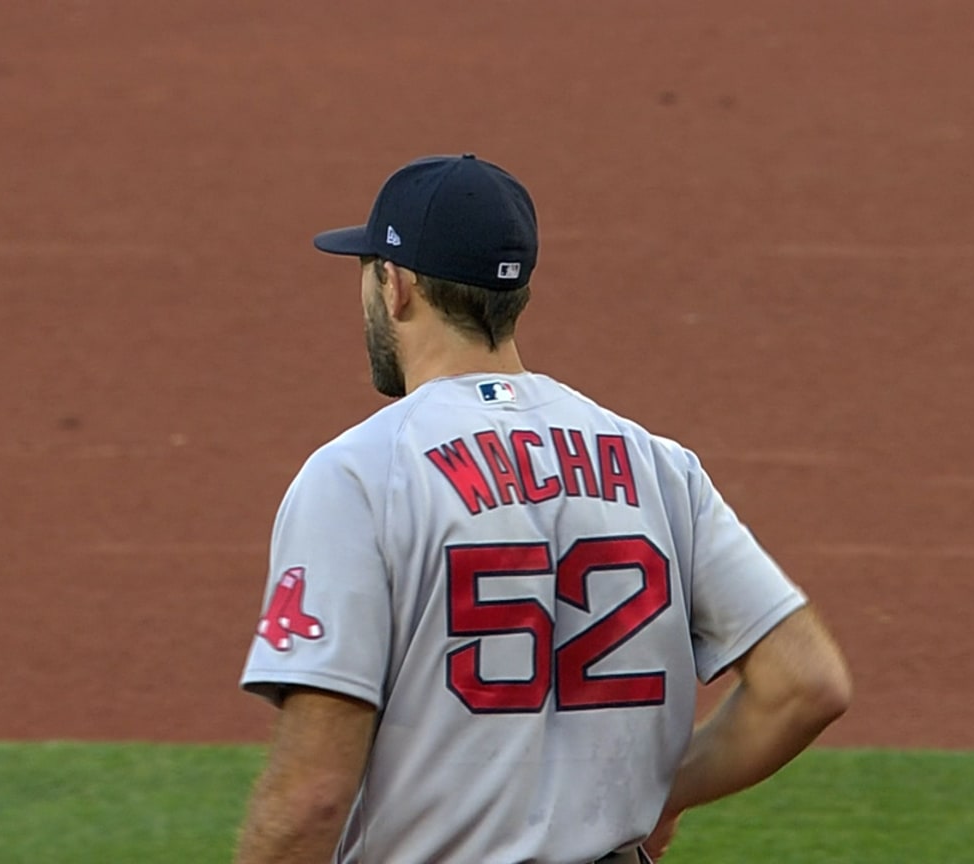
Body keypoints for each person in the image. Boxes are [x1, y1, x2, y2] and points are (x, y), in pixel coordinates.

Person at [233, 153, 851, 864]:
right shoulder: (656, 464)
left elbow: (312, 796)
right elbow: (807, 683)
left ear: (396, 286)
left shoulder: (361, 476)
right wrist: (660, 792)